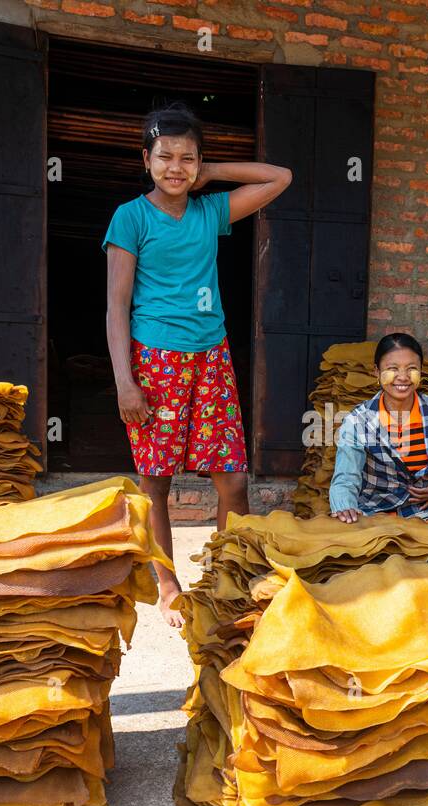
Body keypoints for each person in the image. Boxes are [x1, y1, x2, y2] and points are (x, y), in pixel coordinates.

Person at [104, 103, 292, 627]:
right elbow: (116, 306)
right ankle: (167, 585)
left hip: (211, 358)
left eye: (189, 159)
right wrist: (125, 382)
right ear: (146, 159)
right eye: (165, 157)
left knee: (231, 477)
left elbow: (281, 177)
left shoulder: (211, 212)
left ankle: (229, 573)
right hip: (155, 363)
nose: (176, 168)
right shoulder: (131, 217)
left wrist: (212, 173)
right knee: (156, 481)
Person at [330, 333, 428, 524]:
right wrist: (345, 506)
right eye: (392, 369)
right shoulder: (358, 422)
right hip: (372, 518)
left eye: (411, 369)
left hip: (423, 519)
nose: (403, 377)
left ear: (421, 371)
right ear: (376, 372)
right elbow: (346, 478)